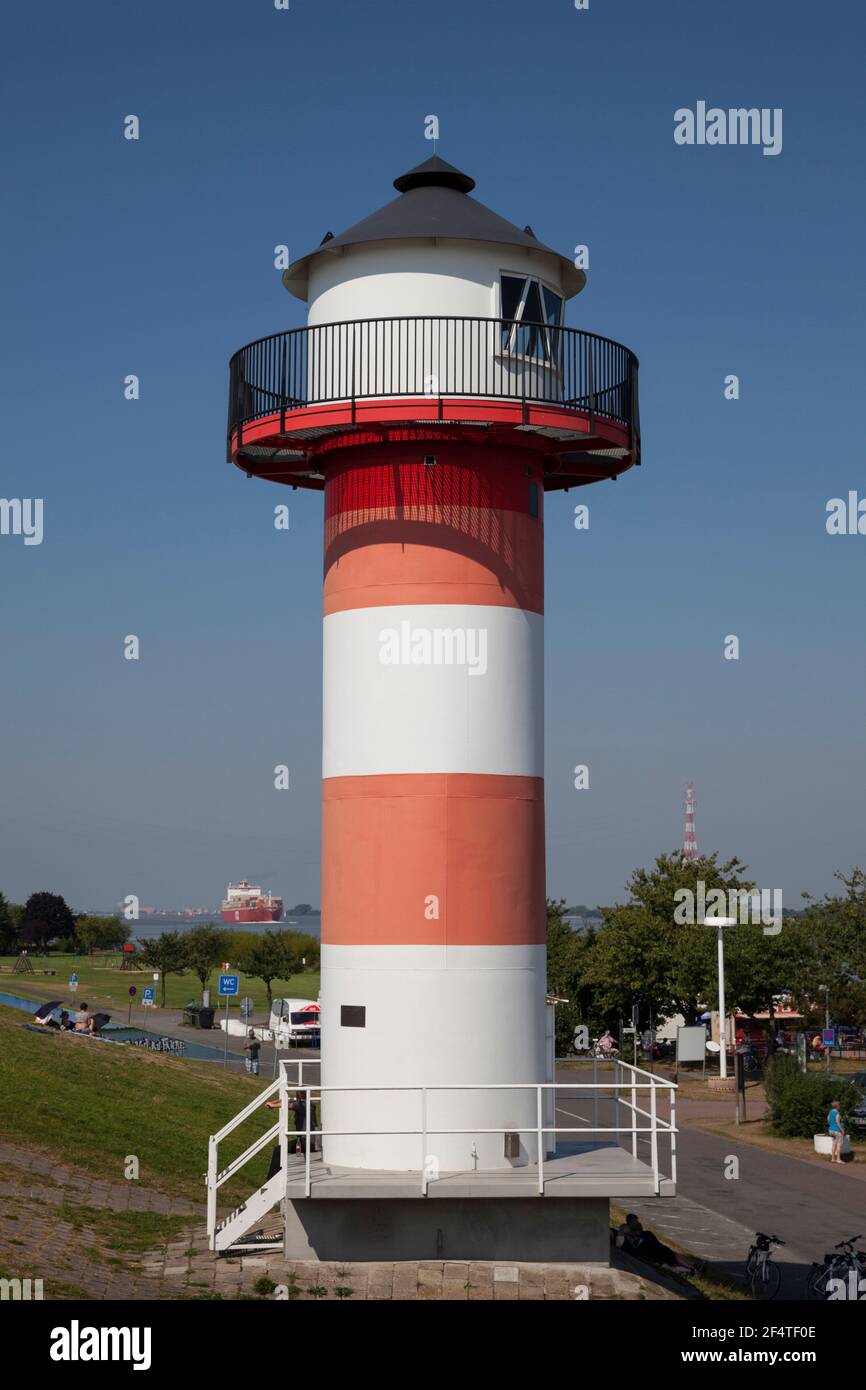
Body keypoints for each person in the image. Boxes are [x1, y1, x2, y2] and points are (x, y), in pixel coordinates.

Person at [615, 1213, 699, 1275]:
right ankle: (691, 1268)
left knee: (672, 1260)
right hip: (658, 1255)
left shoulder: (642, 1237)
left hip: (658, 1254)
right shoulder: (643, 1235)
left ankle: (691, 1268)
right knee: (672, 1261)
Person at [827, 1099, 846, 1164]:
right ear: (837, 1106)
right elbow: (838, 1122)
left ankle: (833, 1159)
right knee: (839, 1145)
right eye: (839, 1105)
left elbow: (828, 1120)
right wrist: (842, 1130)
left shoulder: (830, 1112)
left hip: (831, 1130)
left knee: (834, 1144)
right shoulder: (837, 1113)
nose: (840, 1106)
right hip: (837, 1131)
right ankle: (838, 1159)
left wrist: (832, 1126)